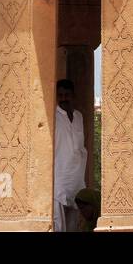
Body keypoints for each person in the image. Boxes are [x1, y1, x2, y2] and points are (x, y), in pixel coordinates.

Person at [52, 78, 88, 231]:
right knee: (58, 222)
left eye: (67, 95)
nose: (63, 98)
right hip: (60, 175)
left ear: (73, 96)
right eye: (60, 95)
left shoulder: (79, 116)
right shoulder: (53, 116)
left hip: (77, 177)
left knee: (73, 222)